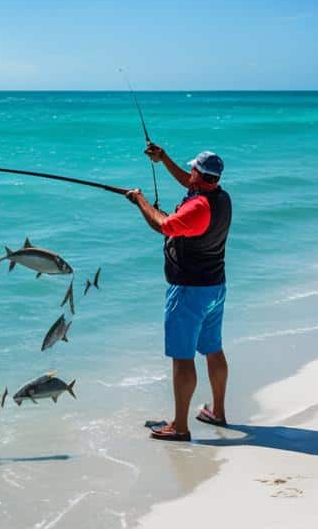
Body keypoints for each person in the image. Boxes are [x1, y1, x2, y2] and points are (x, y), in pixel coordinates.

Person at [126, 145, 231, 442]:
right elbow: (189, 184)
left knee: (182, 358)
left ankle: (180, 426)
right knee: (213, 348)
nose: (190, 174)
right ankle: (218, 411)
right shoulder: (221, 197)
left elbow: (163, 225)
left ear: (200, 175)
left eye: (192, 170)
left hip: (189, 291)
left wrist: (140, 200)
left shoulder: (199, 208)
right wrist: (163, 160)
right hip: (214, 286)